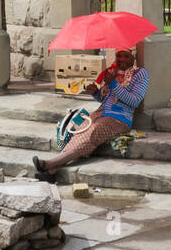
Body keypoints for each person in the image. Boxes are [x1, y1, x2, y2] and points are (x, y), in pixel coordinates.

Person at [32, 46, 149, 180]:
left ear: (133, 56)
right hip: (101, 113)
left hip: (119, 119)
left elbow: (134, 101)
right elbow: (105, 99)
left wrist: (113, 85)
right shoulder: (112, 71)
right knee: (77, 129)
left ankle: (50, 164)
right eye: (119, 56)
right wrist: (95, 92)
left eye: (126, 56)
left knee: (91, 133)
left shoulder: (141, 74)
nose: (121, 59)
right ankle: (53, 170)